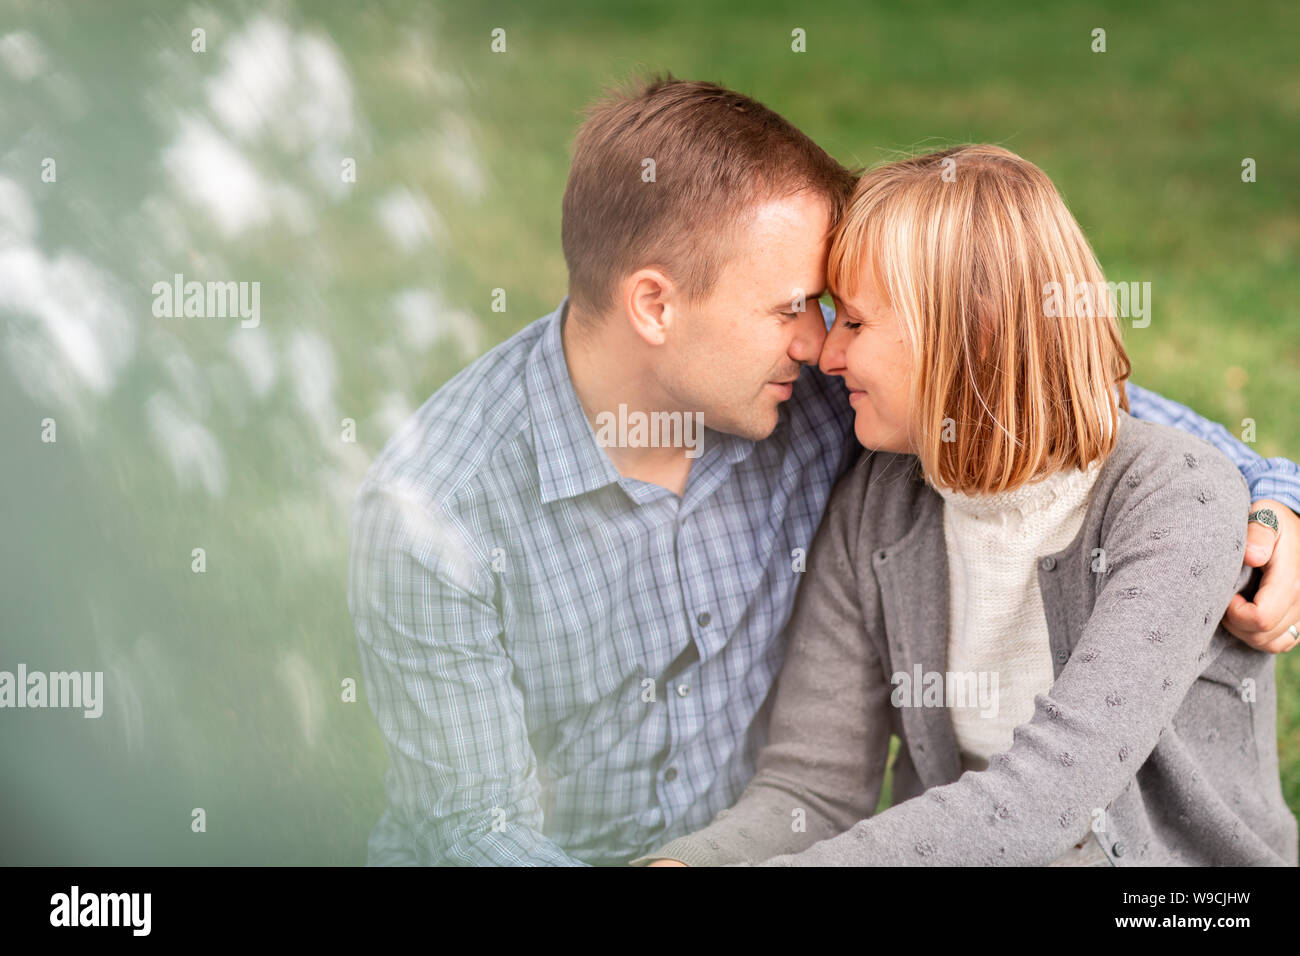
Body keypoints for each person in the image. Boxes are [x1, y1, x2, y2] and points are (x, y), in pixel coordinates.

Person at [347, 77, 1300, 866]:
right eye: (796, 308)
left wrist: (1273, 493)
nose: (819, 347)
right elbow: (479, 834)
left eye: (842, 315)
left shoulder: (826, 405)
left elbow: (1063, 409)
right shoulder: (433, 518)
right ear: (653, 305)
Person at [633, 145, 1298, 866]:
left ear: (968, 334)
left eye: (854, 322)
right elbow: (810, 793)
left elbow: (1048, 799)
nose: (827, 355)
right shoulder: (879, 505)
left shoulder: (1171, 501)